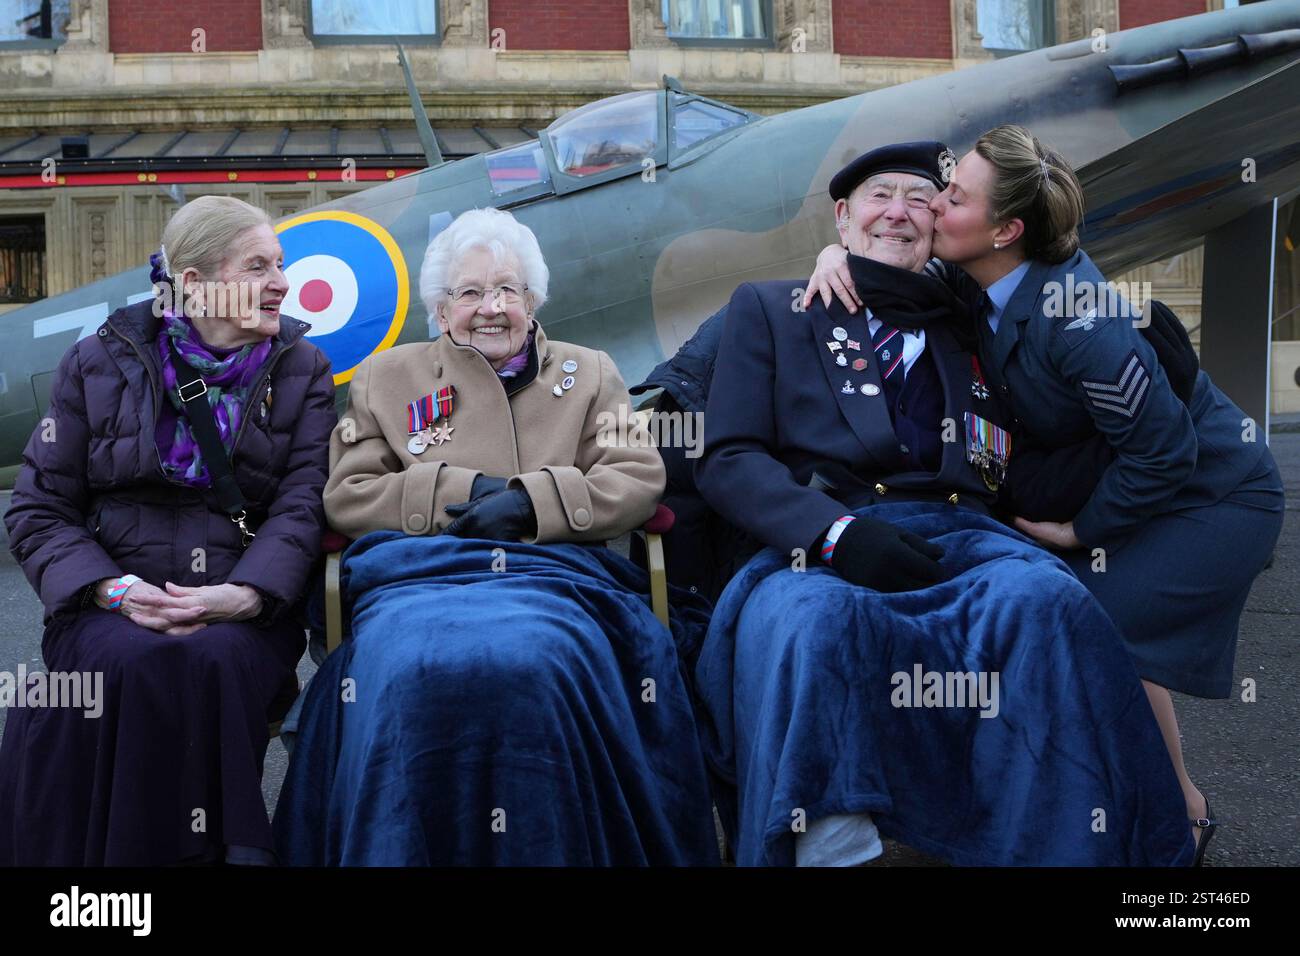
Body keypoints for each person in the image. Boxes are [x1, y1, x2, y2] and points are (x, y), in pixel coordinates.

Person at [692, 142, 1195, 866]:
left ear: (939, 226)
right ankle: (832, 837)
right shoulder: (772, 306)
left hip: (968, 530)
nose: (898, 211)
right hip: (824, 537)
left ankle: (1057, 843)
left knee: (1045, 603)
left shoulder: (967, 315)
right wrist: (834, 535)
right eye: (877, 196)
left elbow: (1035, 405)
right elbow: (729, 458)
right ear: (841, 216)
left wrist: (1144, 363)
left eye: (919, 198)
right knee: (816, 619)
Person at [804, 125, 1285, 865]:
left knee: (1100, 626)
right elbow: (896, 272)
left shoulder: (1079, 319)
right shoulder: (981, 277)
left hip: (1212, 494)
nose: (931, 210)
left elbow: (1164, 450)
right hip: (1144, 476)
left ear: (1006, 229)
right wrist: (837, 254)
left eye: (952, 198)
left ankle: (1177, 814)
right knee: (1082, 625)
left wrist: (1081, 531)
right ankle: (1130, 802)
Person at [273, 207, 717, 866]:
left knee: (538, 664)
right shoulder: (387, 377)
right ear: (441, 307)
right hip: (418, 587)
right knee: (405, 670)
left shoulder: (590, 373)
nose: (491, 307)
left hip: (561, 584)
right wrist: (462, 494)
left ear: (533, 300)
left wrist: (530, 504)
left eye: (508, 289)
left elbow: (636, 478)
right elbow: (348, 494)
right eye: (470, 292)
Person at [0, 195, 336, 865]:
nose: (282, 283)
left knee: (206, 661)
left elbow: (303, 507)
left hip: (243, 606)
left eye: (281, 264)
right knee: (128, 661)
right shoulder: (95, 363)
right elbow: (38, 509)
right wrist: (112, 589)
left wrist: (244, 595)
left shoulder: (303, 370)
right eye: (258, 266)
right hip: (109, 599)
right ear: (193, 283)